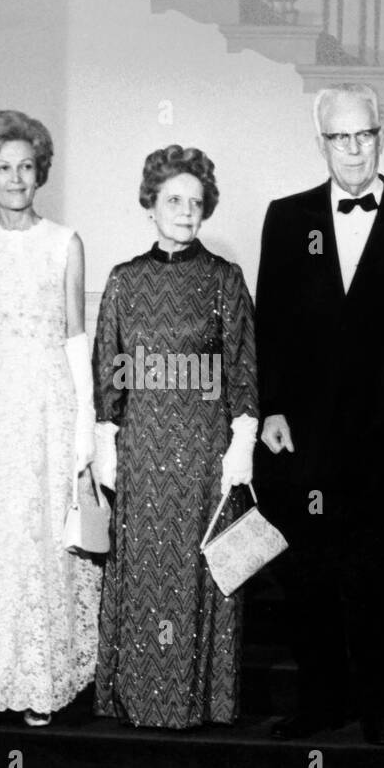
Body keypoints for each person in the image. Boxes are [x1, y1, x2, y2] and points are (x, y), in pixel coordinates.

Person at [255, 83, 384, 746]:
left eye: (363, 135)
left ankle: (382, 703)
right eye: (339, 137)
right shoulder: (286, 219)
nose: (352, 148)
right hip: (304, 433)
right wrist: (272, 409)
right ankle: (322, 699)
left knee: (380, 572)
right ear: (321, 143)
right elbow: (272, 326)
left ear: (380, 136)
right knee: (309, 572)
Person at [91, 145, 259, 729]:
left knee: (197, 570)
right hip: (141, 452)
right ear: (151, 205)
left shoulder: (224, 280)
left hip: (203, 452)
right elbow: (109, 369)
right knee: (142, 570)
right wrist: (106, 443)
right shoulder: (123, 281)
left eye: (195, 202)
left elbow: (242, 369)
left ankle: (199, 701)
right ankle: (138, 698)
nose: (186, 212)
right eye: (173, 200)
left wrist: (241, 448)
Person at [0, 110, 100, 728]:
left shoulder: (64, 242)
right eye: (2, 167)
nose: (15, 179)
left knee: (39, 542)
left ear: (41, 173)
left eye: (26, 167)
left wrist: (84, 429)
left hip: (46, 407)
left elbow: (75, 338)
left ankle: (41, 686)